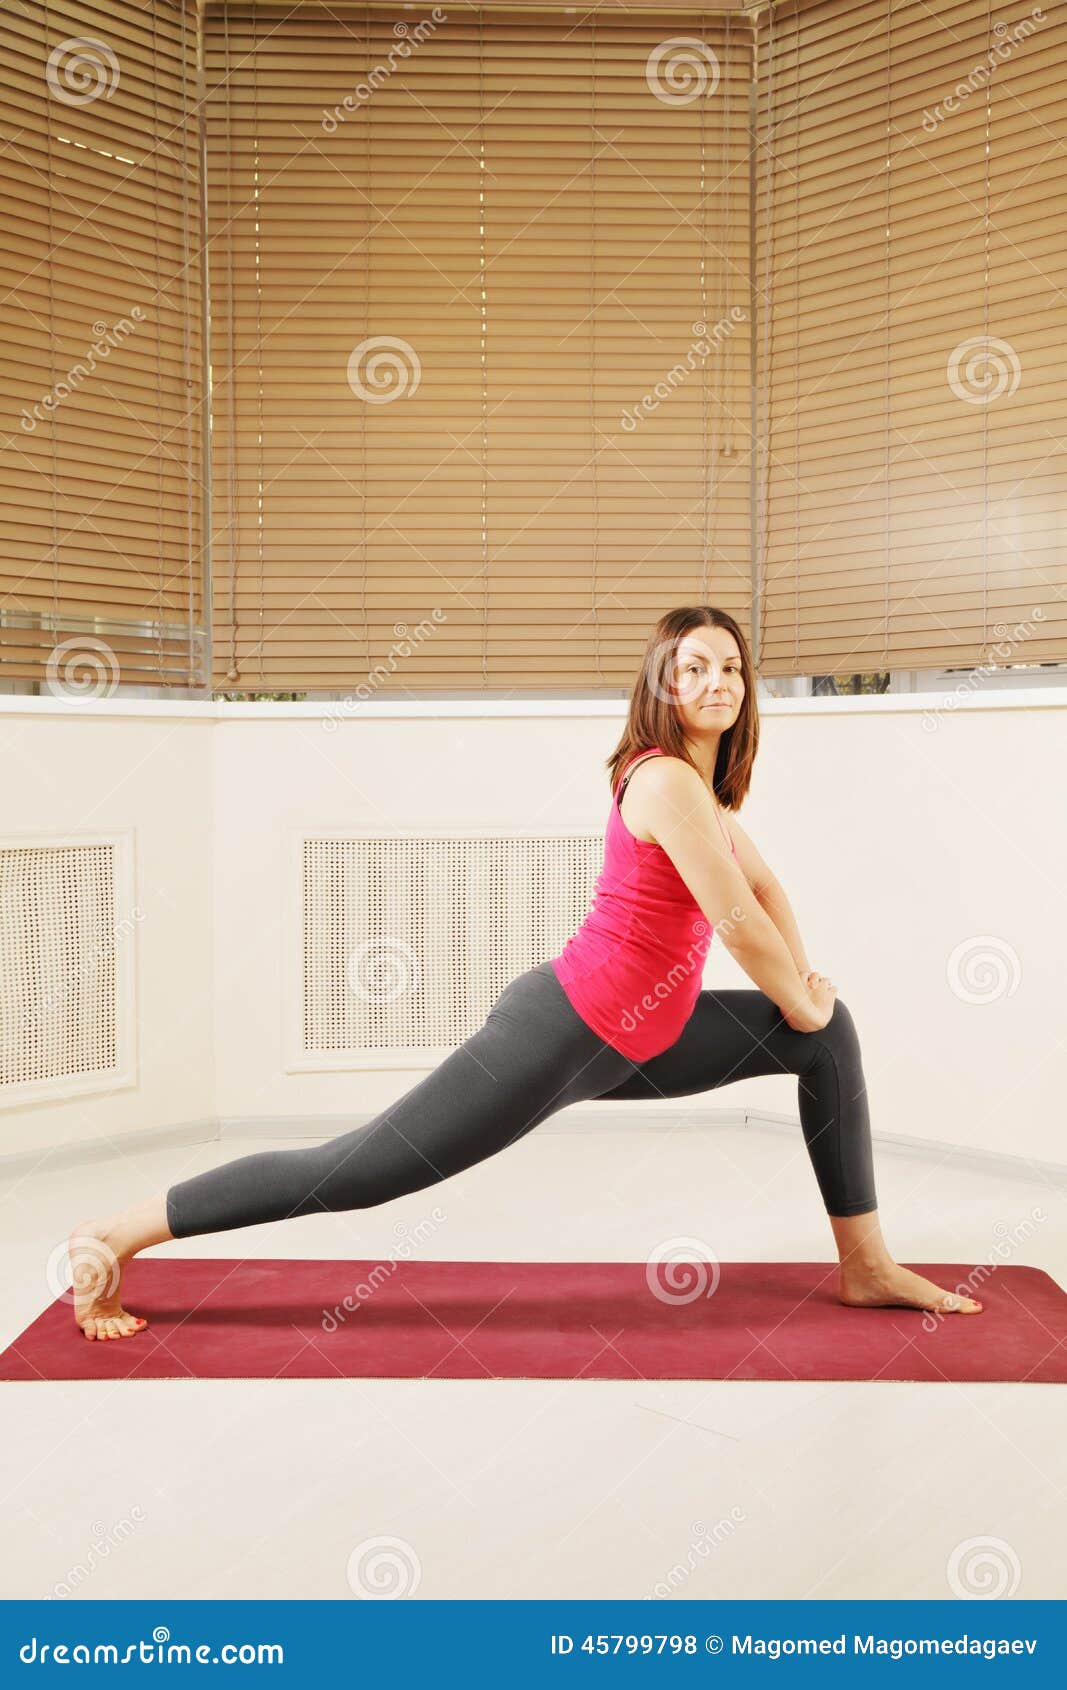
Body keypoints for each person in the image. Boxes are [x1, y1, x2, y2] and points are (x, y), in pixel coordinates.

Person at [65, 605, 982, 1339]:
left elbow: (766, 887)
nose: (717, 681)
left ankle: (863, 1265)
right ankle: (118, 1235)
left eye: (731, 667)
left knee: (827, 1037)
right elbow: (736, 924)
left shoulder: (699, 789)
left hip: (640, 1038)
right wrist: (794, 995)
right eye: (693, 666)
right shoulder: (660, 780)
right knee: (355, 1170)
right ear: (661, 686)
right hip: (563, 1033)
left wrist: (810, 993)